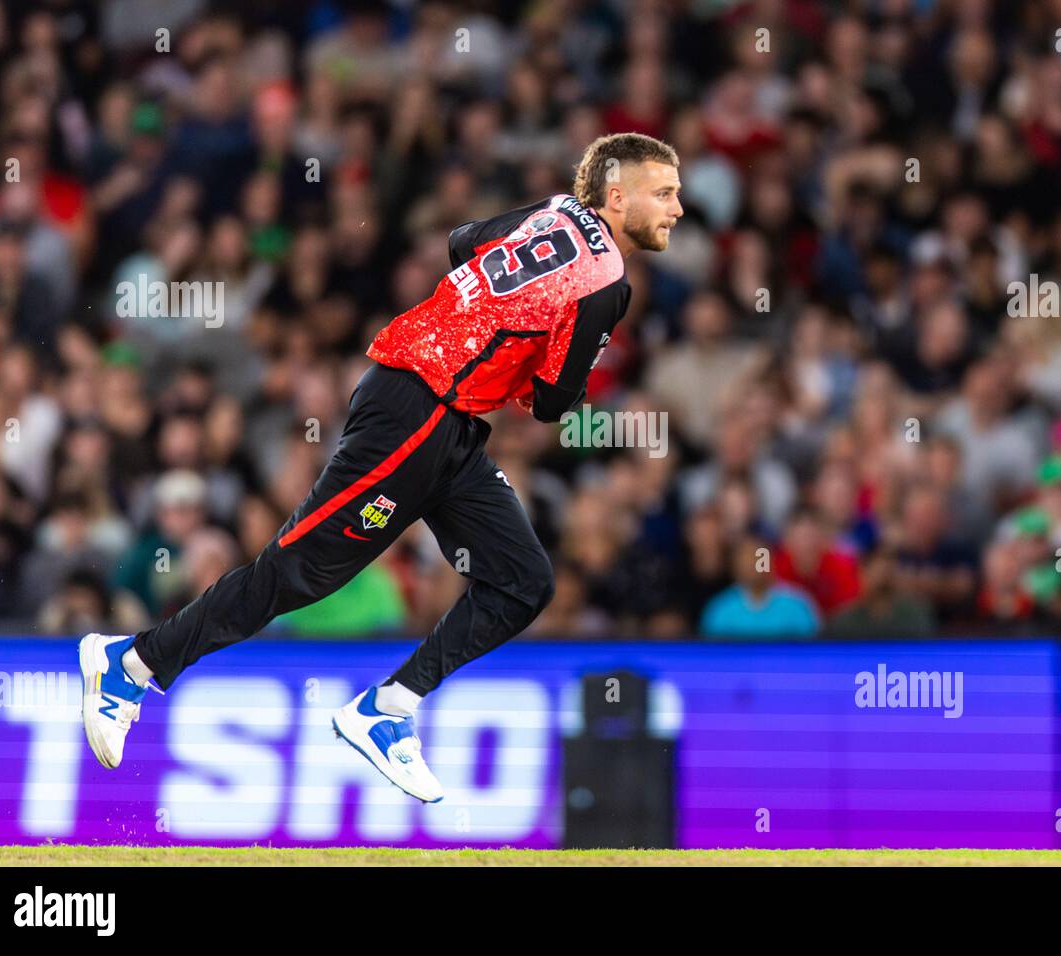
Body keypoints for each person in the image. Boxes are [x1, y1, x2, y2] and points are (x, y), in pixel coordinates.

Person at [78, 133, 684, 802]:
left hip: (444, 414)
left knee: (522, 581)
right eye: (664, 193)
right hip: (421, 409)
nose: (677, 208)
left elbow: (462, 241)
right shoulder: (607, 284)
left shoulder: (553, 212)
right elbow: (552, 404)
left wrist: (485, 324)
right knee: (298, 571)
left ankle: (387, 709)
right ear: (617, 196)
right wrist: (517, 353)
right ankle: (130, 664)